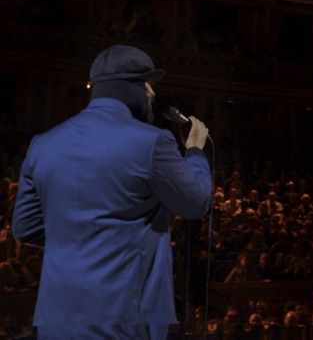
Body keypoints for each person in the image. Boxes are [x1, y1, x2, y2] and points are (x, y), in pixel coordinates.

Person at [11, 44, 213, 339]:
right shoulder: (153, 142)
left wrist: (87, 235)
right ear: (130, 86)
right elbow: (197, 202)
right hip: (126, 319)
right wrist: (195, 152)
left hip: (58, 319)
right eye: (148, 83)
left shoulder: (42, 144)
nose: (152, 93)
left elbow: (25, 228)